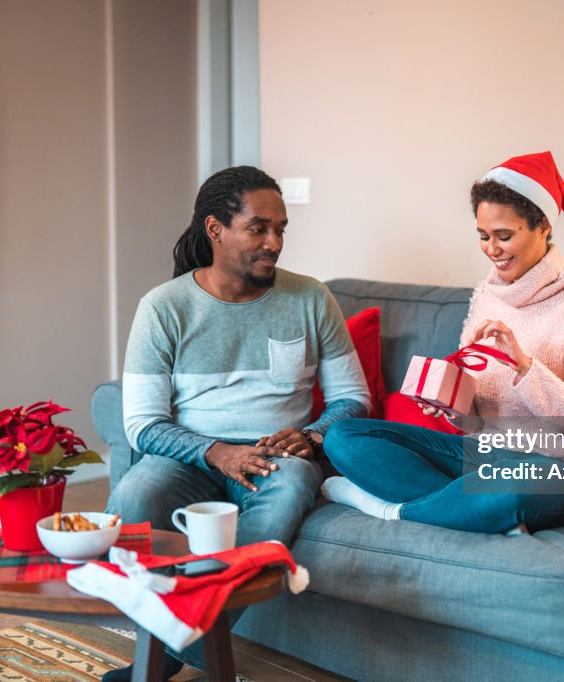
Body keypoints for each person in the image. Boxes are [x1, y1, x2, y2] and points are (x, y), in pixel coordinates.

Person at [104, 165, 371, 681]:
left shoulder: (312, 298)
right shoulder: (164, 307)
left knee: (293, 483)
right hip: (191, 457)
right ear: (215, 230)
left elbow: (353, 399)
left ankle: (171, 655)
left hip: (276, 459)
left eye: (281, 229)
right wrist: (216, 451)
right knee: (137, 494)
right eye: (258, 228)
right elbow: (141, 423)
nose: (274, 242)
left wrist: (313, 435)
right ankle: (157, 636)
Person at [321, 151, 564, 534]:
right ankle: (469, 511)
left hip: (558, 465)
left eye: (505, 235)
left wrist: (525, 367)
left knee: (511, 493)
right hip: (485, 455)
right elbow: (479, 418)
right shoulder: (486, 295)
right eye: (483, 236)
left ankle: (389, 508)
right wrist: (452, 405)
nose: (492, 249)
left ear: (543, 228)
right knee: (344, 437)